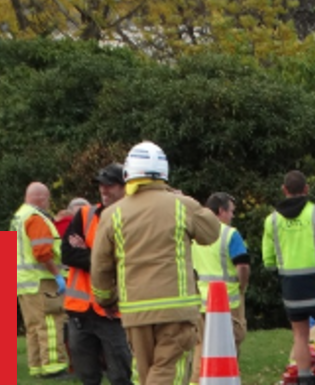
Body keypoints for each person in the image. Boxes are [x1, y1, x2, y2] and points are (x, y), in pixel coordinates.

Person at [91, 141, 221, 385]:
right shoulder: (181, 206)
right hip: (176, 308)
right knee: (169, 370)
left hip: (135, 310)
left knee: (145, 371)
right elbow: (211, 232)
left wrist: (105, 299)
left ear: (129, 174)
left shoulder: (113, 215)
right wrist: (186, 199)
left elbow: (100, 265)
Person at [263, 171, 315, 385]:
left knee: (300, 335)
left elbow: (268, 260)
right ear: (306, 189)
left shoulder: (272, 221)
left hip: (291, 285)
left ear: (284, 190)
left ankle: (304, 377)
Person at [61, 164, 134, 385]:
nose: (104, 189)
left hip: (113, 312)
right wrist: (103, 260)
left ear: (124, 187)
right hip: (80, 311)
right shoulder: (85, 214)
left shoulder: (131, 218)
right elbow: (68, 254)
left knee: (120, 374)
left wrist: (89, 253)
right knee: (87, 375)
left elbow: (127, 261)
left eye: (110, 185)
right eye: (101, 185)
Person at [191, 192, 250, 385]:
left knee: (202, 346)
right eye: (231, 211)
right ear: (221, 211)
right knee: (230, 344)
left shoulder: (195, 235)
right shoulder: (230, 234)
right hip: (228, 300)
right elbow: (242, 265)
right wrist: (242, 287)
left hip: (201, 300)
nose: (232, 216)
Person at [13, 181, 70, 378]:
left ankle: (37, 367)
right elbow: (43, 252)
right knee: (51, 323)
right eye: (48, 199)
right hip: (41, 280)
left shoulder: (20, 216)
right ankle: (54, 368)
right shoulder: (36, 219)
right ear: (42, 198)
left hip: (24, 283)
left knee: (33, 328)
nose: (49, 203)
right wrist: (57, 275)